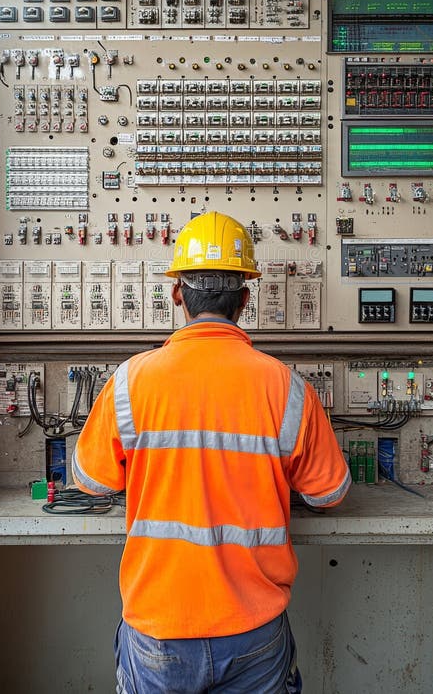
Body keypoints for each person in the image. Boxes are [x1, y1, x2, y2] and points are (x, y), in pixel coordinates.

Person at [72, 211, 351, 693]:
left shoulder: (129, 382)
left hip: (158, 626)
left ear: (177, 294)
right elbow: (330, 494)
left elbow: (92, 481)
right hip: (252, 628)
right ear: (245, 299)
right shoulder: (288, 389)